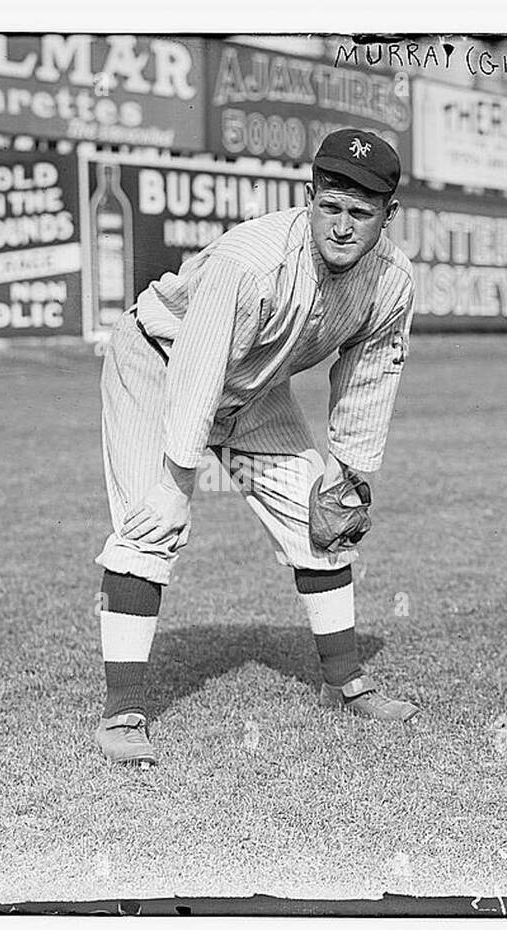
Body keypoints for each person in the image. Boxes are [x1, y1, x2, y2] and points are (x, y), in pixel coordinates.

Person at [94, 128, 418, 767]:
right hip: (160, 364)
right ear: (310, 197)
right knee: (149, 524)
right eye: (330, 207)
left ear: (389, 215)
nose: (343, 227)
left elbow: (371, 375)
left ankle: (345, 682)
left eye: (360, 213)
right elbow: (198, 364)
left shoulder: (391, 281)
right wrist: (176, 481)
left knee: (317, 516)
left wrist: (348, 474)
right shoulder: (251, 260)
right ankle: (123, 710)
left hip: (253, 384)